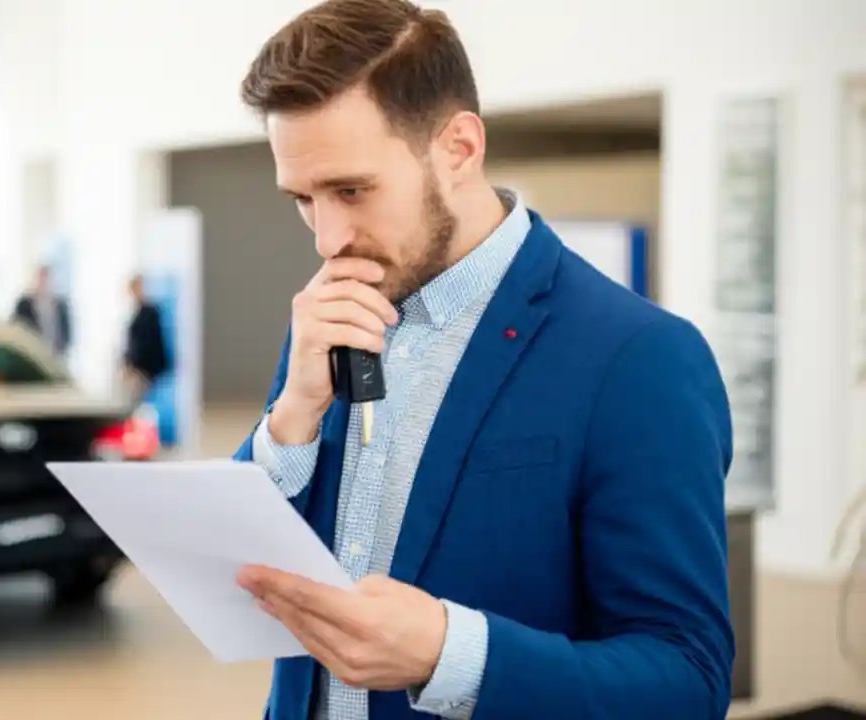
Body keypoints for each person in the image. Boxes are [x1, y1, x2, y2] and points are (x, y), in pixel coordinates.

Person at [230, 2, 734, 719]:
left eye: (352, 190)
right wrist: (290, 421)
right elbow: (254, 578)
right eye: (304, 199)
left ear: (459, 148)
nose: (328, 238)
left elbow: (686, 680)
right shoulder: (325, 321)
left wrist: (449, 656)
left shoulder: (640, 358)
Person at [121, 274, 170, 398]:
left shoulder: (149, 313)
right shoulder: (137, 311)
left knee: (135, 398)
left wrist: (134, 366)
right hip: (137, 367)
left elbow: (144, 343)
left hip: (142, 369)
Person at [12, 265, 71, 357]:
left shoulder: (61, 305)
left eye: (46, 278)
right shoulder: (24, 304)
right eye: (41, 278)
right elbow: (18, 328)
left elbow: (66, 333)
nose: (44, 282)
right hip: (31, 354)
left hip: (55, 354)